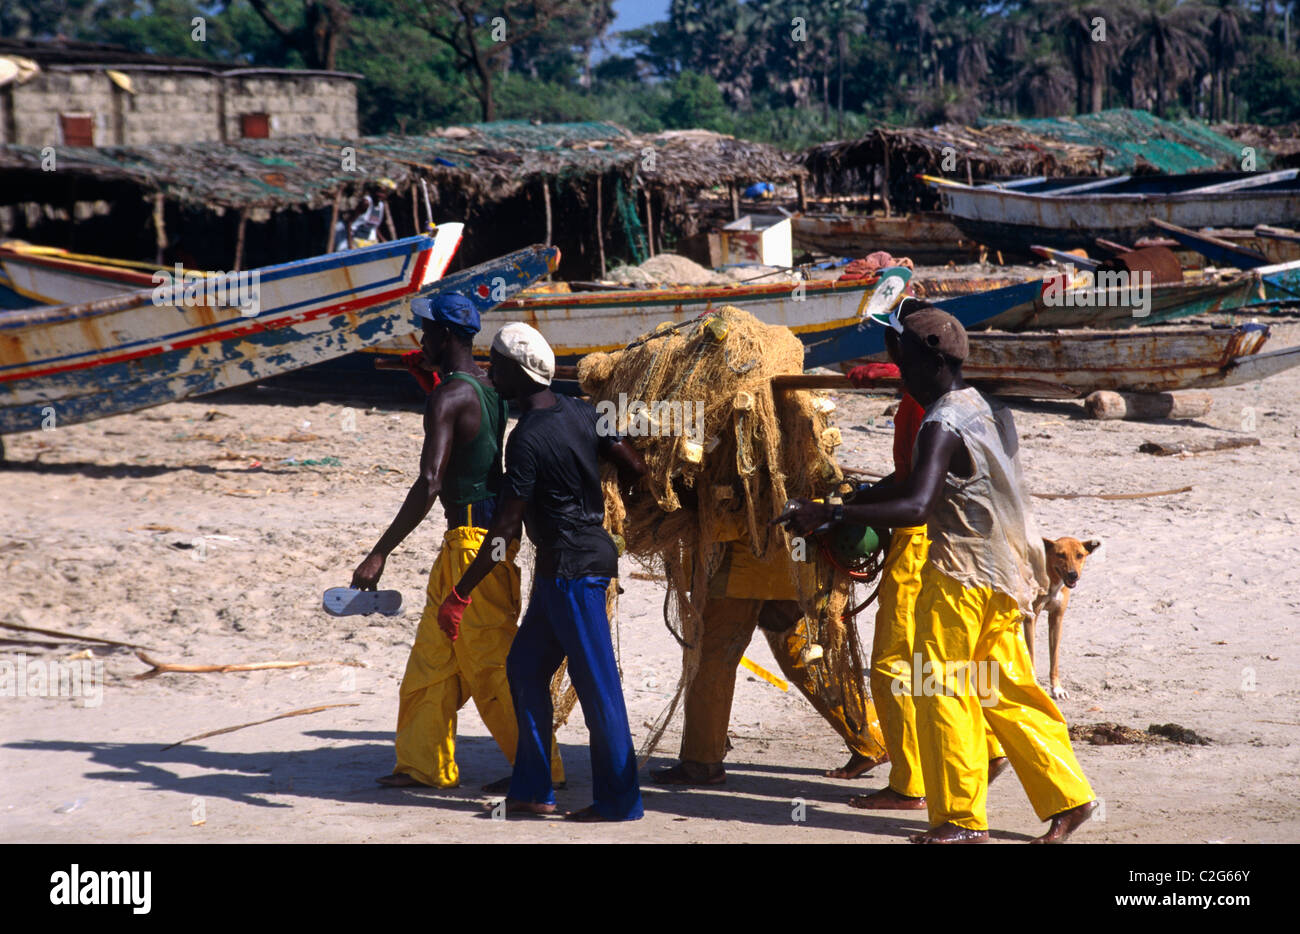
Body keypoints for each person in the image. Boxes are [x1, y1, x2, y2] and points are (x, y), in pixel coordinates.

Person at [786, 308, 1096, 844]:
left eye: (902, 357)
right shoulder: (984, 407)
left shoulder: (941, 421)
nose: (897, 369)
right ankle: (1071, 798)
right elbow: (915, 482)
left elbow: (915, 503)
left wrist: (836, 516)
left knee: (944, 690)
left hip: (959, 576)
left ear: (930, 358)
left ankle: (958, 820)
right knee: (1007, 690)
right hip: (1007, 574)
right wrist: (850, 498)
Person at [352, 294, 563, 791]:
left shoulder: (448, 397)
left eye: (427, 332)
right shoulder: (488, 387)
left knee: (490, 666)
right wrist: (434, 378)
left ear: (445, 337)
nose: (420, 339)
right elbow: (473, 426)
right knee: (432, 660)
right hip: (469, 542)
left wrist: (380, 551)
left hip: (476, 547)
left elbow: (430, 481)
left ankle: (542, 769)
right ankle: (423, 763)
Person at [442, 323, 646, 822]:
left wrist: (461, 593)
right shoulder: (581, 410)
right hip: (572, 566)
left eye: (496, 364)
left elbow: (506, 530)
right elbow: (633, 464)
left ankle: (621, 802)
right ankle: (533, 789)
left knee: (598, 685)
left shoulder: (527, 439)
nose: (490, 371)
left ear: (517, 372)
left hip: (573, 572)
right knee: (525, 667)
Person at [844, 300, 1009, 813]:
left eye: (895, 347)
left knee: (900, 665)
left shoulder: (929, 406)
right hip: (973, 551)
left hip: (927, 543)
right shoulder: (966, 403)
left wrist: (847, 508)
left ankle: (912, 781)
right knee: (972, 670)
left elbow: (915, 494)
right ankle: (991, 750)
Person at [651, 486, 889, 787]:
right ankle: (871, 737)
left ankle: (702, 761)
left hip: (742, 550)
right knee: (796, 645)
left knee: (713, 655)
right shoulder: (802, 442)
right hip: (795, 544)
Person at [334, 178, 396, 251]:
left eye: (384, 193)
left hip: (370, 241)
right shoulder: (366, 203)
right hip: (357, 239)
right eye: (379, 192)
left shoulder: (381, 206)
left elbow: (374, 227)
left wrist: (384, 241)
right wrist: (350, 247)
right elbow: (350, 222)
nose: (381, 195)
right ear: (374, 191)